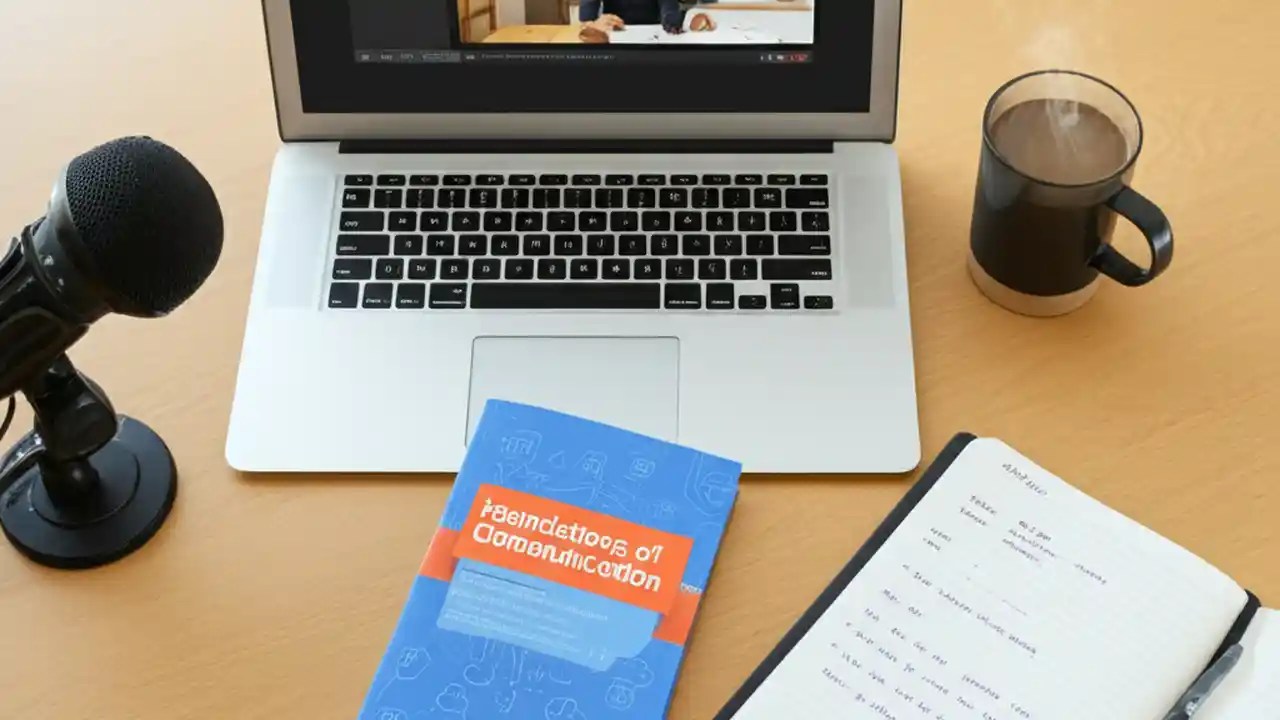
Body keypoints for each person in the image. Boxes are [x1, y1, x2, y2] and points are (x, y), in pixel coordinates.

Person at [579, 0, 684, 33]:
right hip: (613, 32)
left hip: (652, 36)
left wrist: (670, 18)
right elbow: (586, 19)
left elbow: (668, 5)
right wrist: (592, 24)